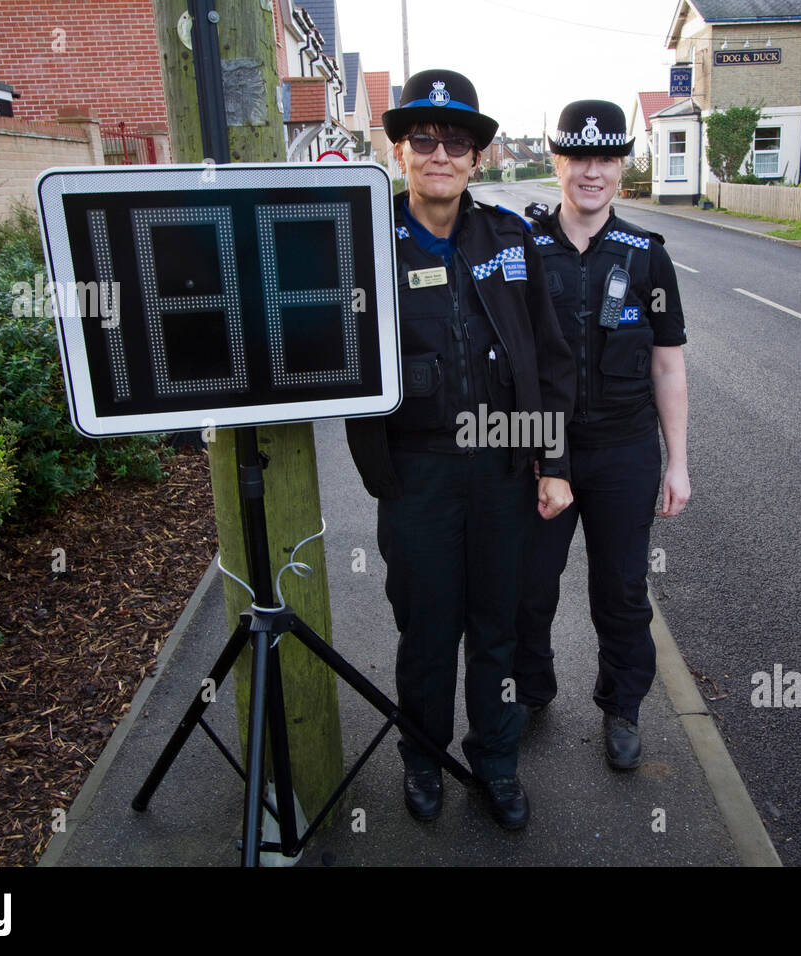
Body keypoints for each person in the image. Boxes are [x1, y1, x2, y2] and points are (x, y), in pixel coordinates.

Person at [344, 69, 575, 830]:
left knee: (498, 626)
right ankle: (421, 756)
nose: (438, 153)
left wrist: (554, 464)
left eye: (455, 142)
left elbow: (548, 356)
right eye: (423, 140)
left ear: (477, 158)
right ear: (401, 152)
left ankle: (497, 761)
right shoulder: (369, 245)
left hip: (506, 464)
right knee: (427, 627)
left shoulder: (510, 240)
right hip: (418, 471)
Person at [513, 99, 690, 770]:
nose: (592, 172)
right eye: (579, 158)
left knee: (620, 589)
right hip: (542, 453)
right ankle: (531, 691)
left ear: (622, 168)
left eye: (606, 159)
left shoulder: (647, 259)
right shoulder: (521, 249)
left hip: (624, 452)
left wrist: (678, 463)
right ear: (558, 162)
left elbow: (667, 362)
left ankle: (622, 706)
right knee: (530, 583)